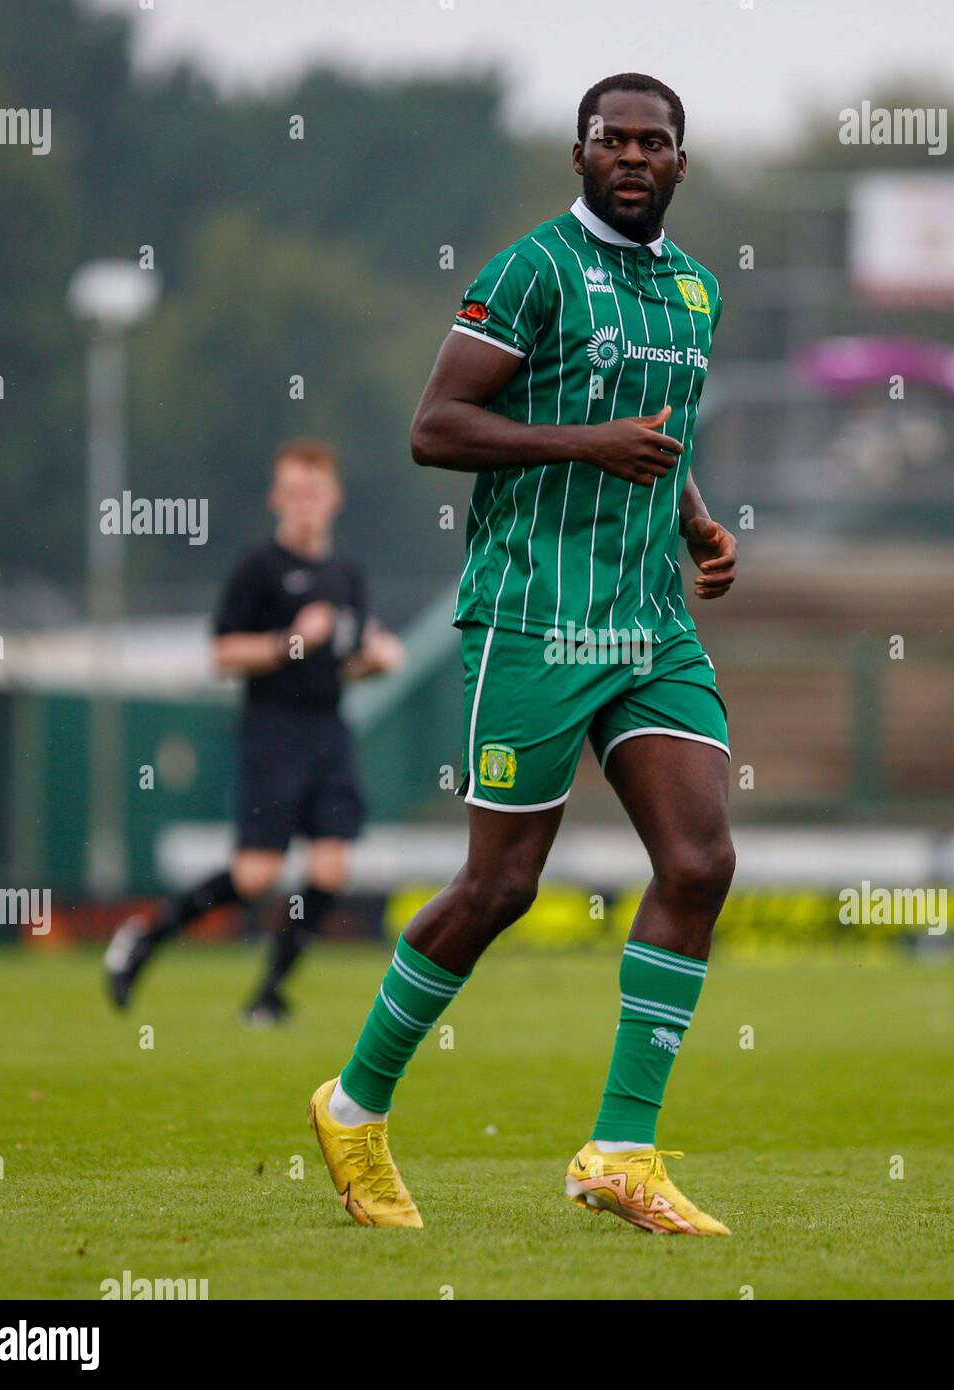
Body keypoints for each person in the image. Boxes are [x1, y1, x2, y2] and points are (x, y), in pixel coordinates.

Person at [308, 73, 739, 1235]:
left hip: (648, 621)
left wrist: (694, 519)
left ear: (682, 164)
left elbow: (663, 430)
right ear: (580, 154)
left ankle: (621, 1150)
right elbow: (433, 428)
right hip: (533, 618)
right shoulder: (530, 270)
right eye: (615, 141)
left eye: (656, 143)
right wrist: (582, 442)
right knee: (499, 886)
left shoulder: (694, 290)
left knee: (698, 863)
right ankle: (353, 1105)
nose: (635, 157)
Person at [104, 438, 405, 1025]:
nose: (304, 502)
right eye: (293, 491)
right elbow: (222, 652)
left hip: (329, 730)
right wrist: (290, 638)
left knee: (329, 870)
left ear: (334, 498)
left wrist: (373, 661)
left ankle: (268, 996)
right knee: (256, 875)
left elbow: (344, 660)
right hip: (272, 730)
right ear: (276, 498)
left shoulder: (346, 574)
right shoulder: (258, 568)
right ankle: (145, 936)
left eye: (314, 491)